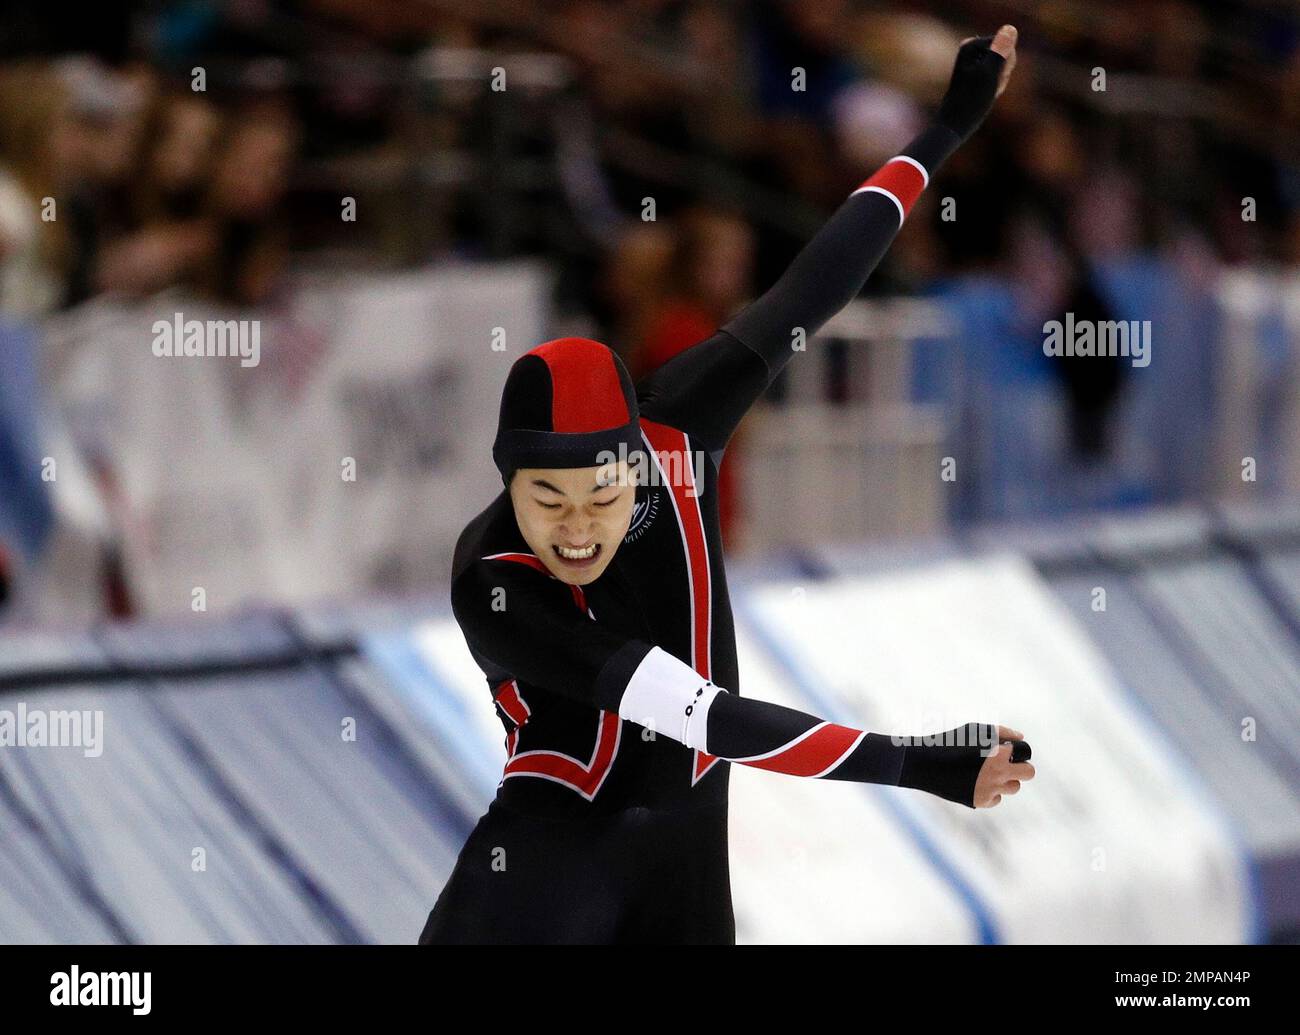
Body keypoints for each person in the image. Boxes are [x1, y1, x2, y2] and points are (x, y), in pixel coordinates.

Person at [421, 26, 1034, 945]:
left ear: (637, 454)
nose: (578, 529)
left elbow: (813, 286)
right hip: (549, 868)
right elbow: (701, 715)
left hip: (688, 861)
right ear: (510, 482)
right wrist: (918, 763)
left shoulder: (678, 435)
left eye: (602, 493)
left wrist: (943, 131)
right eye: (548, 500)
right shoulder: (495, 578)